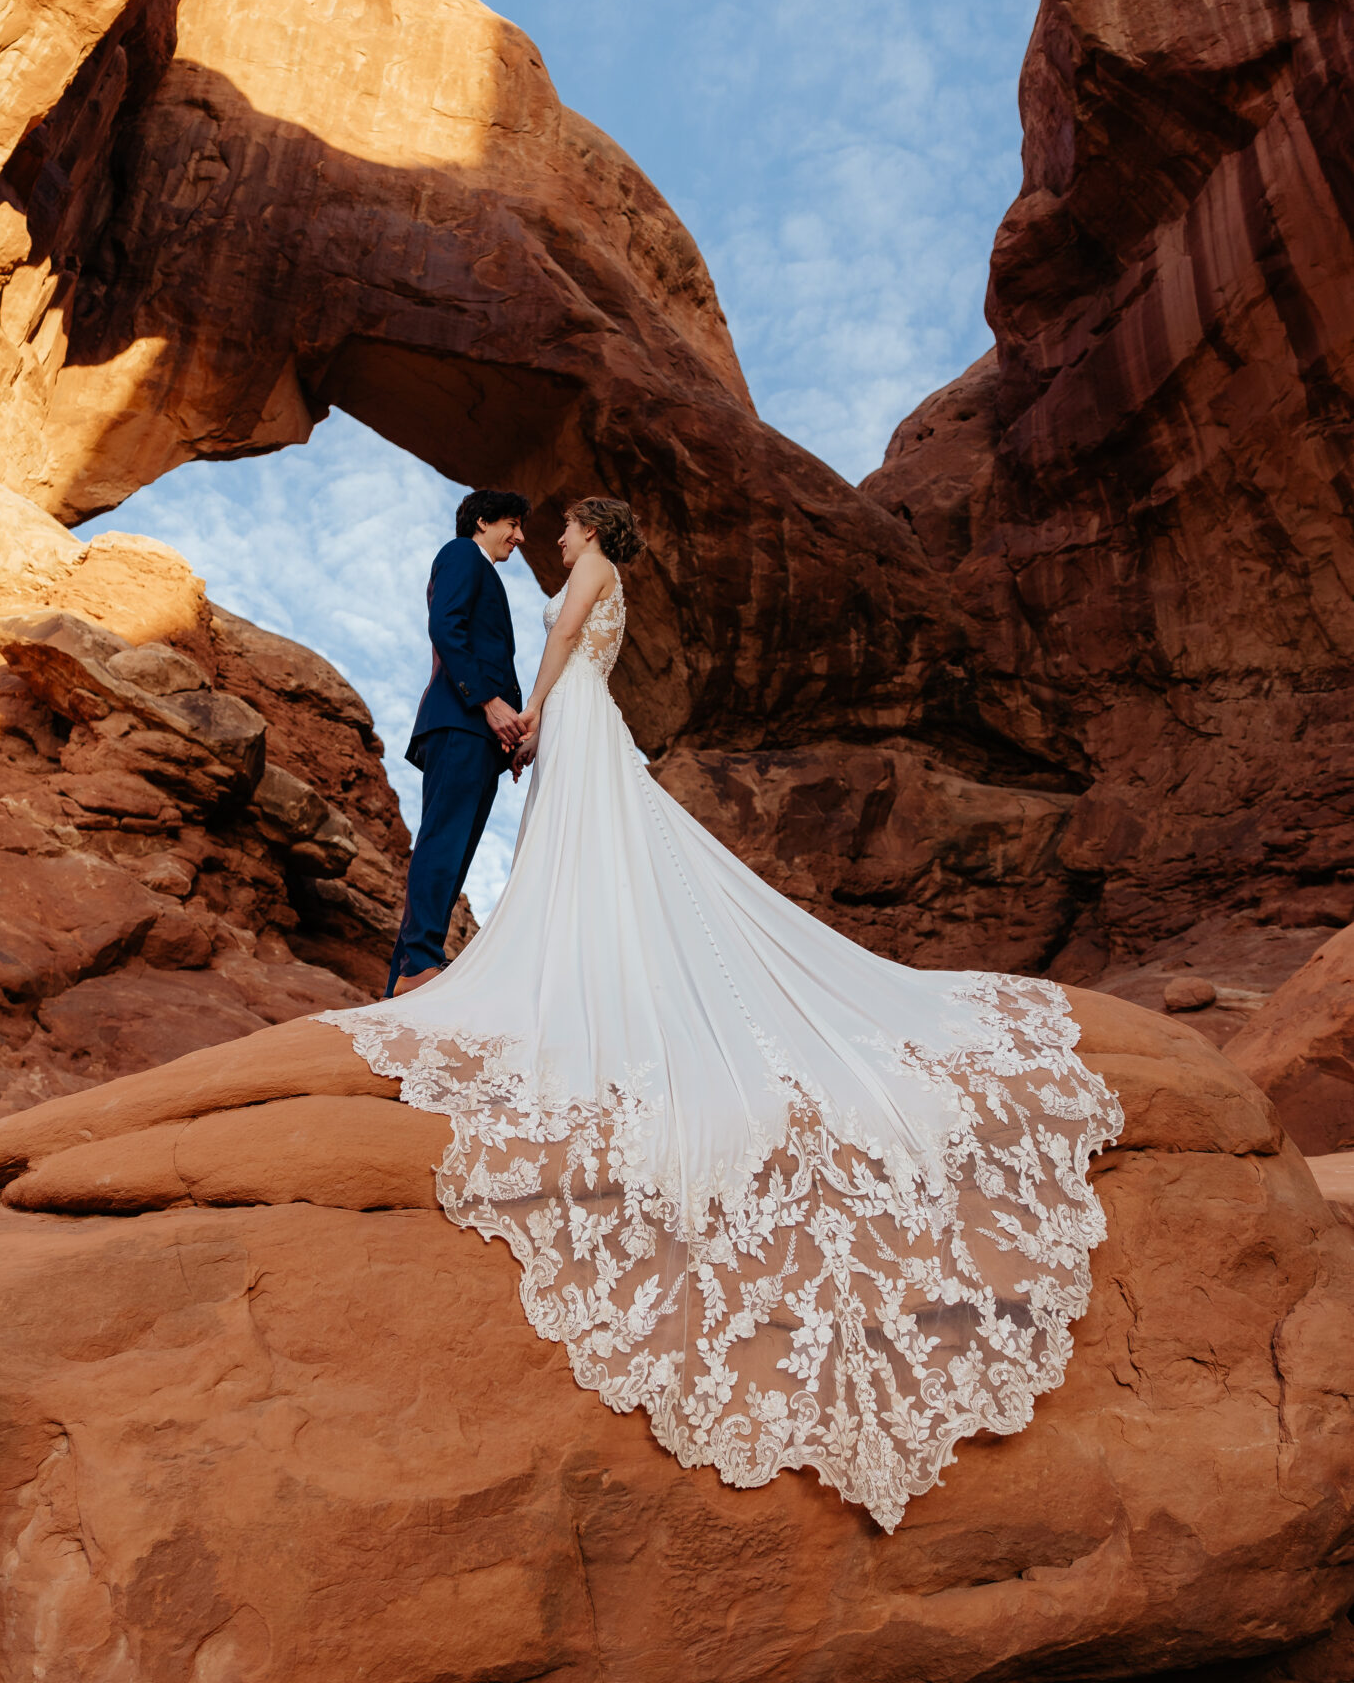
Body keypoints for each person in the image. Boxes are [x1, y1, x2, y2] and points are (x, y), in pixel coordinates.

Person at [328, 493, 1123, 1534]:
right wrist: (516, 712)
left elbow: (562, 635)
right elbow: (516, 632)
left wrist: (531, 710)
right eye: (535, 529)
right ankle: (524, 961)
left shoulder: (587, 580)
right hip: (556, 723)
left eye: (560, 528)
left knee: (583, 858)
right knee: (591, 860)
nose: (545, 541)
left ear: (594, 531)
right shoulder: (549, 571)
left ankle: (507, 969)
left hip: (562, 718)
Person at [386, 487, 532, 998]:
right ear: (483, 521)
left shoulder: (484, 571)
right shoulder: (459, 554)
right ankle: (422, 959)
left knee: (458, 852)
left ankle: (404, 980)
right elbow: (446, 629)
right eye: (512, 524)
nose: (519, 537)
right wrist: (489, 703)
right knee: (443, 843)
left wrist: (509, 739)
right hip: (461, 722)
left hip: (482, 736)